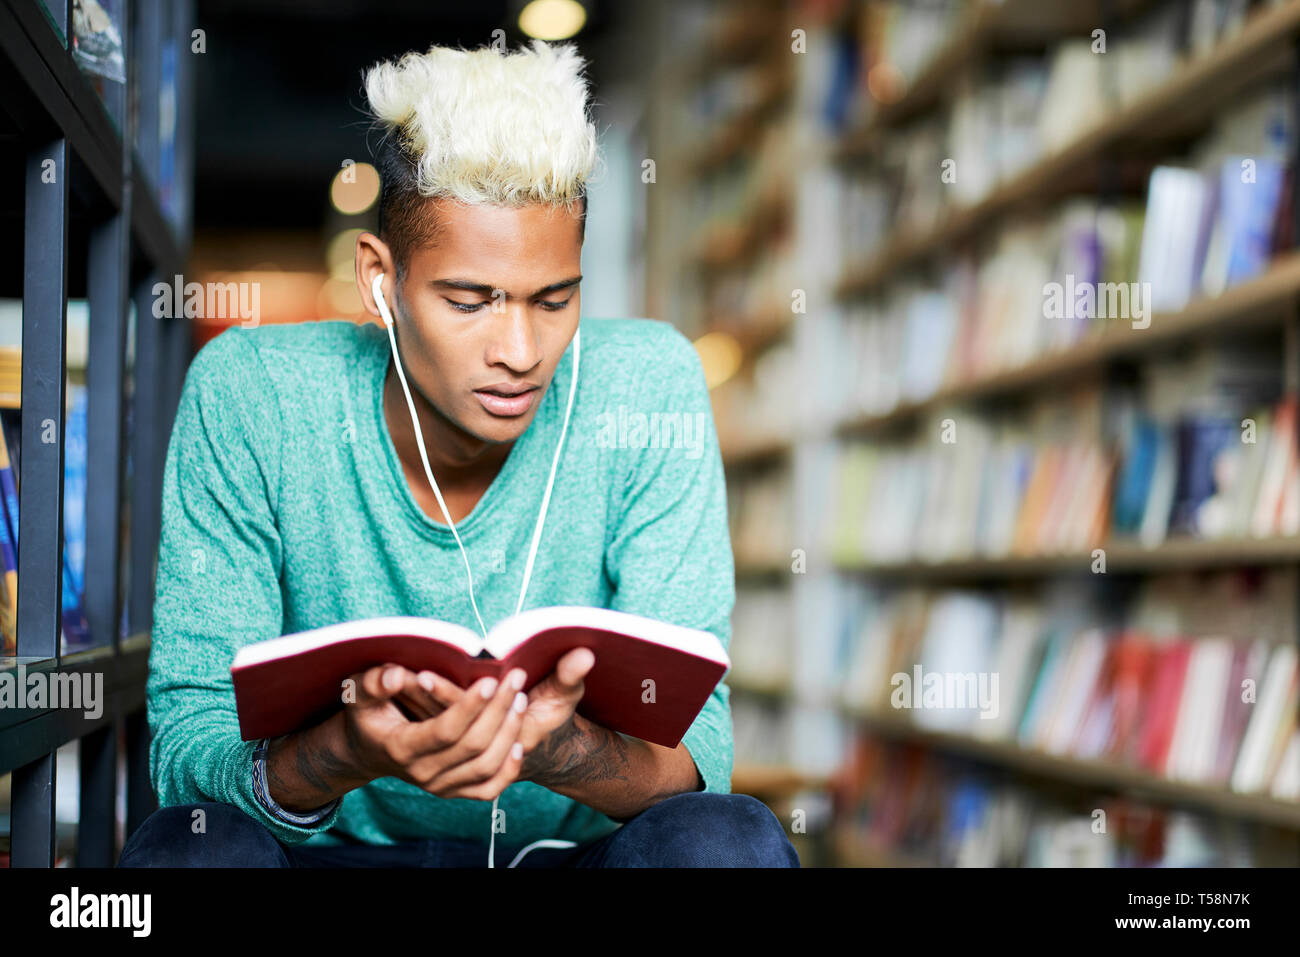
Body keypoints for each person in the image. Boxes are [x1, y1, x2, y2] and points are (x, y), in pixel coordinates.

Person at [118, 38, 798, 868]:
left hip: (560, 853)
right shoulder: (252, 395)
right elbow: (188, 747)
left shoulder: (647, 386)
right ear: (380, 280)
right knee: (185, 851)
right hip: (329, 854)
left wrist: (556, 749)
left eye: (554, 299)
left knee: (729, 842)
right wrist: (345, 751)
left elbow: (702, 753)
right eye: (470, 301)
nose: (519, 349)